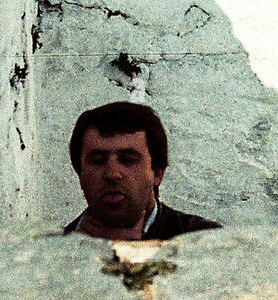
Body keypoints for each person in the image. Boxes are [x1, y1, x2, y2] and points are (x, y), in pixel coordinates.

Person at [63, 101, 221, 240]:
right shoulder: (53, 255)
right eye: (98, 161)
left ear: (157, 173)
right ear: (81, 174)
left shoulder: (205, 242)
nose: (112, 174)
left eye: (128, 160)